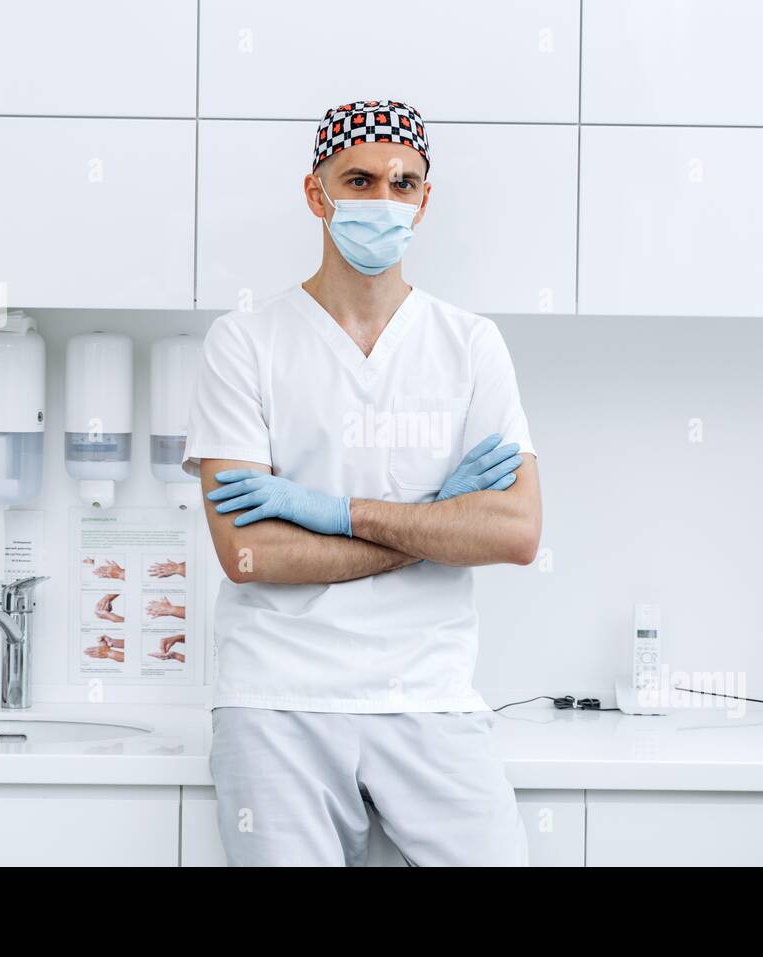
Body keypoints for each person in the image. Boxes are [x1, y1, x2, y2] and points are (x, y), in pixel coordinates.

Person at [181, 99, 542, 866]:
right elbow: (250, 554)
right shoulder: (245, 342)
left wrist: (332, 513)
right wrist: (437, 520)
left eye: (403, 183)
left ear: (423, 201)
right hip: (276, 698)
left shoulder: (470, 345)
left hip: (429, 695)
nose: (384, 200)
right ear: (318, 194)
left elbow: (514, 533)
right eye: (361, 179)